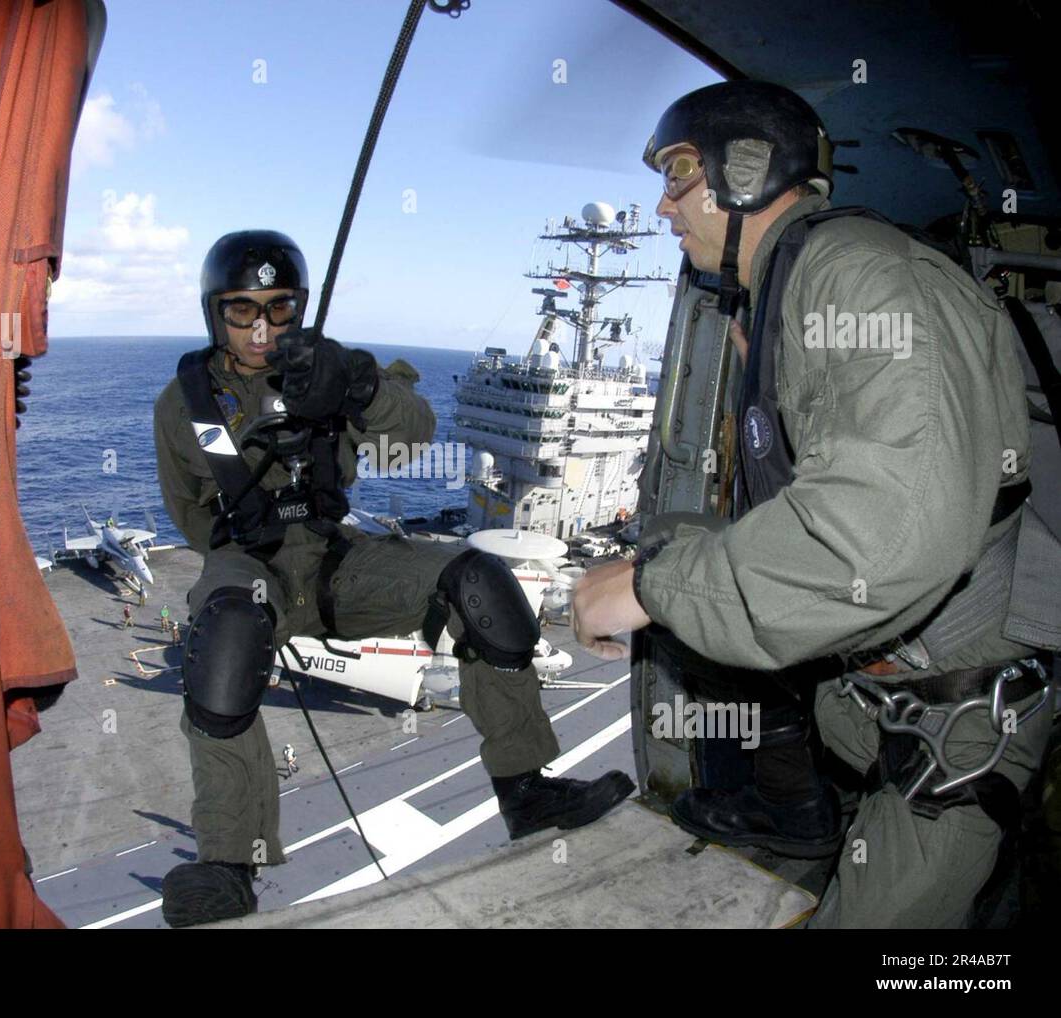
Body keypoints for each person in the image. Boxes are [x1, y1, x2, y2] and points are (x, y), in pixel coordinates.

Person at [571, 80, 1057, 927]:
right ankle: (789, 808)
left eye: (678, 173)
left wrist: (650, 591)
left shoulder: (856, 274)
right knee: (676, 539)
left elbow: (884, 535)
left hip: (960, 718)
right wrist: (662, 567)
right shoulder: (796, 283)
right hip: (876, 685)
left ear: (748, 169)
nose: (661, 204)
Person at [153, 229, 636, 925]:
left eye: (279, 308)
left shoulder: (333, 370)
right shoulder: (184, 403)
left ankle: (528, 792)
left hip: (336, 560)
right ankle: (231, 864)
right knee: (227, 635)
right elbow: (190, 513)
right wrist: (246, 559)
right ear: (214, 313)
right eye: (241, 311)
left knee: (481, 583)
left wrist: (358, 384)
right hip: (249, 562)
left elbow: (410, 436)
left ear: (300, 307)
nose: (262, 327)